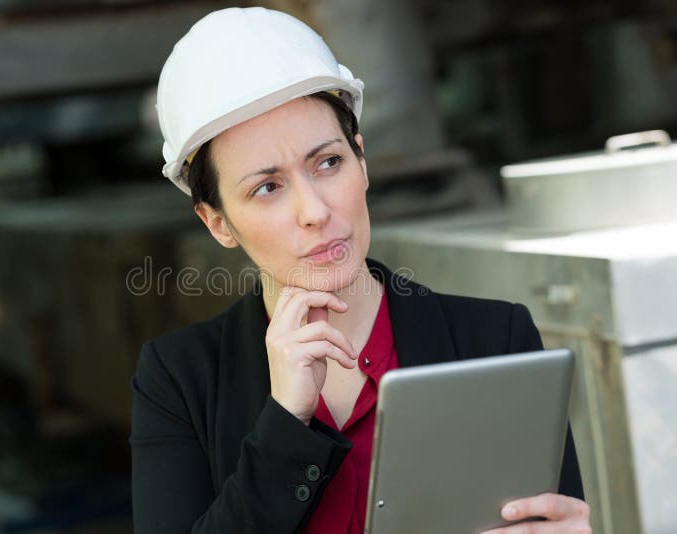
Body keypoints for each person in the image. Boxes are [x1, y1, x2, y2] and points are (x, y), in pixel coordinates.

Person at [130, 7, 589, 534]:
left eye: (328, 162)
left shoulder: (496, 341)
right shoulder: (178, 381)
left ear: (362, 161)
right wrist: (284, 422)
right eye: (267, 187)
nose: (315, 211)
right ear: (218, 223)